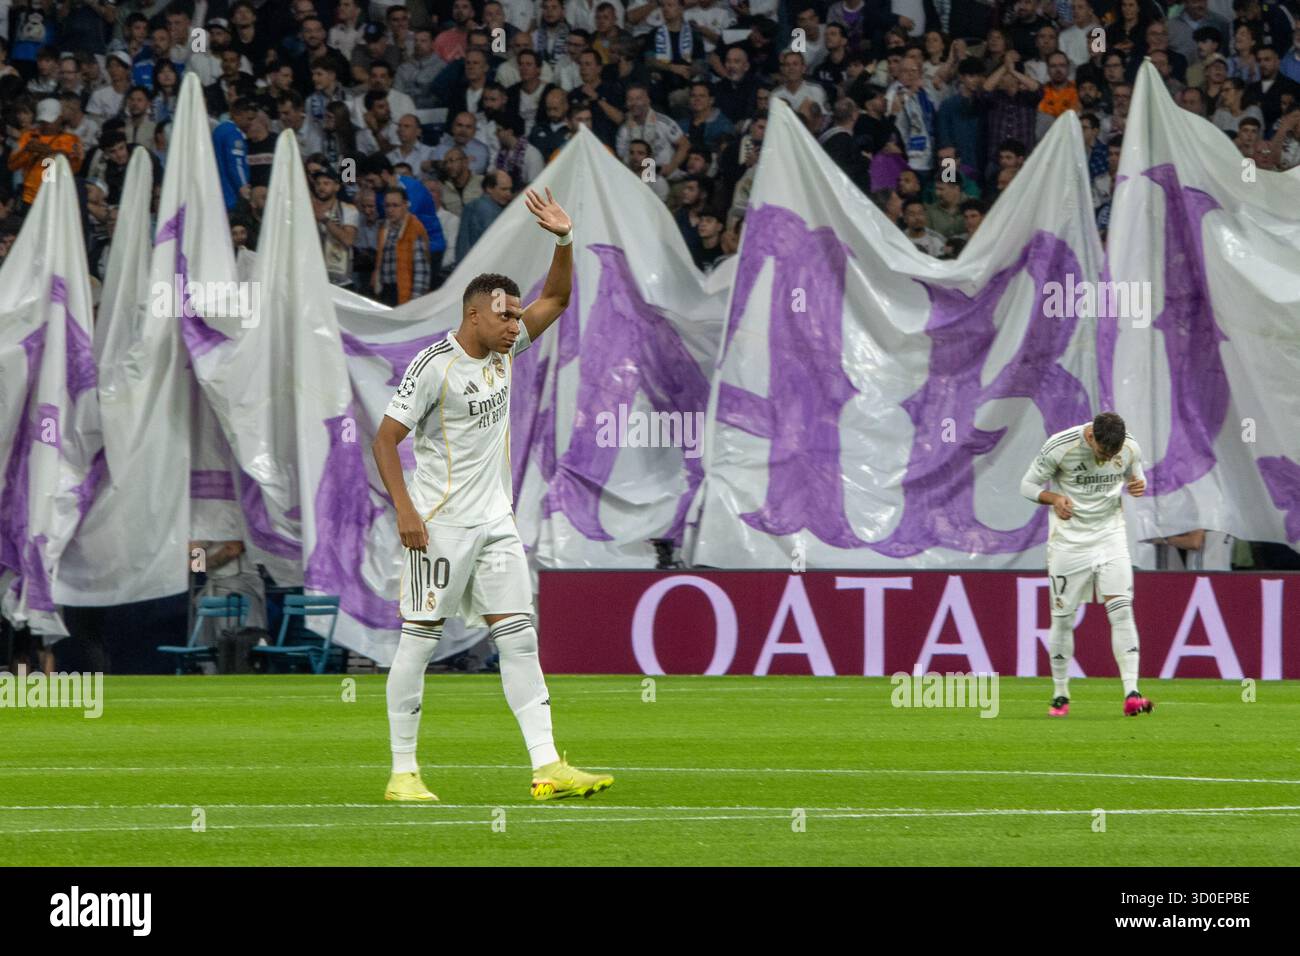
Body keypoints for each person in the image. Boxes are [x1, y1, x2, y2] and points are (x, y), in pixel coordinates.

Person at [371, 187, 613, 803]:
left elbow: (557, 298)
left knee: (520, 637)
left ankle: (547, 766)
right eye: (506, 317)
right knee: (420, 641)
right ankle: (403, 773)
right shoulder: (433, 366)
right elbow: (384, 440)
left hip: (496, 522)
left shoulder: (505, 351)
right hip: (440, 526)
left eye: (515, 317)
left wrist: (564, 239)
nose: (515, 325)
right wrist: (405, 510)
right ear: (475, 315)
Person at [1019, 412, 1154, 718]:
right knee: (1063, 619)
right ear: (1091, 437)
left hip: (1110, 537)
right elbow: (1026, 485)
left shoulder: (1129, 447)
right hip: (1069, 543)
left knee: (1122, 611)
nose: (1107, 460)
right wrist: (1054, 498)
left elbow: (1136, 475)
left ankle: (1132, 693)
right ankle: (1060, 694)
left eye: (1113, 454)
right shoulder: (1060, 446)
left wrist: (1138, 484)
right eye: (1103, 453)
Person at [8, 97, 83, 207]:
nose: (46, 125)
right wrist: (27, 151)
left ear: (60, 118)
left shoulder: (71, 140)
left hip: (55, 198)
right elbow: (12, 165)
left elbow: (75, 168)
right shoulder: (28, 137)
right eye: (43, 121)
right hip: (29, 198)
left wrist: (54, 153)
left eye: (49, 121)